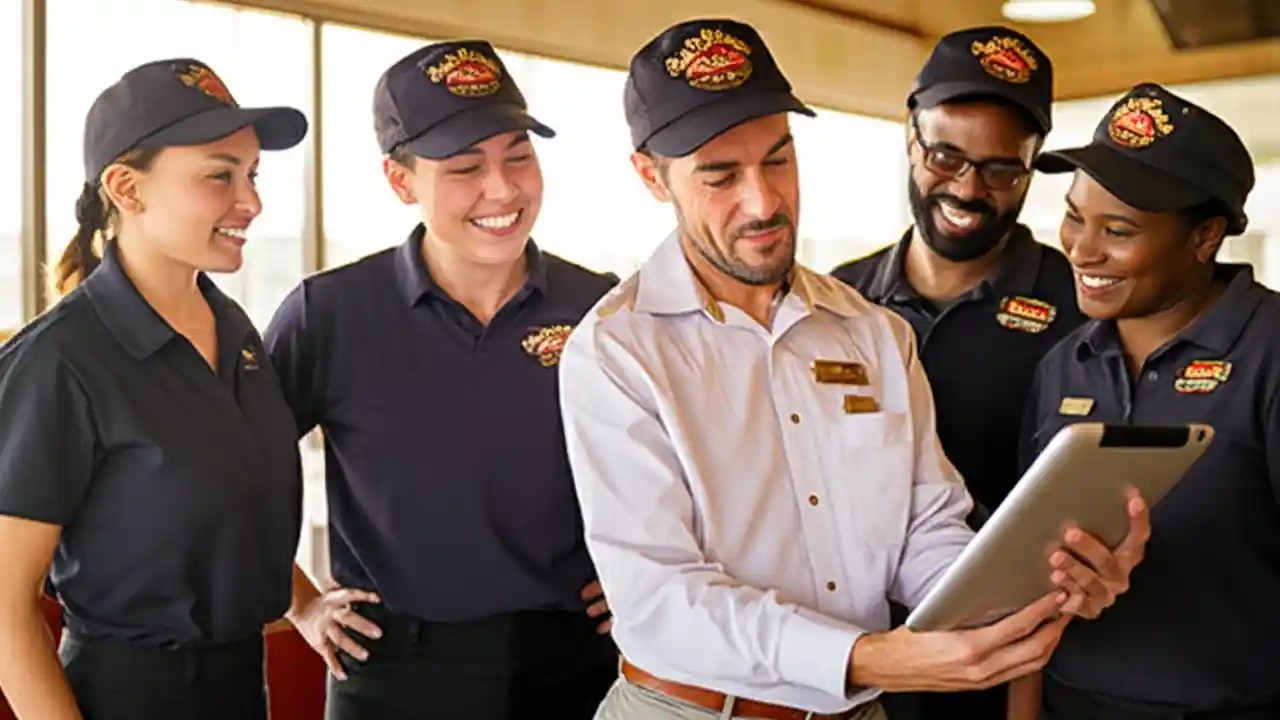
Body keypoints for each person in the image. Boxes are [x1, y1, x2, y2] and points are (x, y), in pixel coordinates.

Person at [559, 18, 1149, 720]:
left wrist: (1037, 584)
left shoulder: (873, 331)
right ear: (651, 176)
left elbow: (926, 528)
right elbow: (662, 599)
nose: (764, 202)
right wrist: (867, 657)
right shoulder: (615, 352)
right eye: (721, 176)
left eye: (778, 160)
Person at [264, 40, 620, 719]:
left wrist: (646, 575)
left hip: (575, 665)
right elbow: (229, 468)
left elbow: (682, 456)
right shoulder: (330, 313)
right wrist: (302, 602)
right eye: (465, 167)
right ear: (401, 182)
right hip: (394, 671)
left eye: (518, 155)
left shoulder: (600, 306)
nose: (503, 189)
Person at [0, 59, 307, 720]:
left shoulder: (236, 331)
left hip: (241, 687)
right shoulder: (61, 361)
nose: (251, 202)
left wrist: (307, 602)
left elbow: (234, 510)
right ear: (126, 188)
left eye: (252, 175)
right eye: (219, 176)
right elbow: (3, 606)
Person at [830, 27, 1085, 719]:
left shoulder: (1083, 312)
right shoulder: (833, 304)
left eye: (1002, 170)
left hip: (1020, 673)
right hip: (850, 668)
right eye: (946, 155)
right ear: (910, 139)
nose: (969, 189)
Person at [1018, 83, 1278, 720]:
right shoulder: (1062, 365)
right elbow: (1023, 572)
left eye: (1119, 230)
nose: (1081, 249)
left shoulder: (1270, 351)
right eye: (1076, 216)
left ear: (1205, 236)